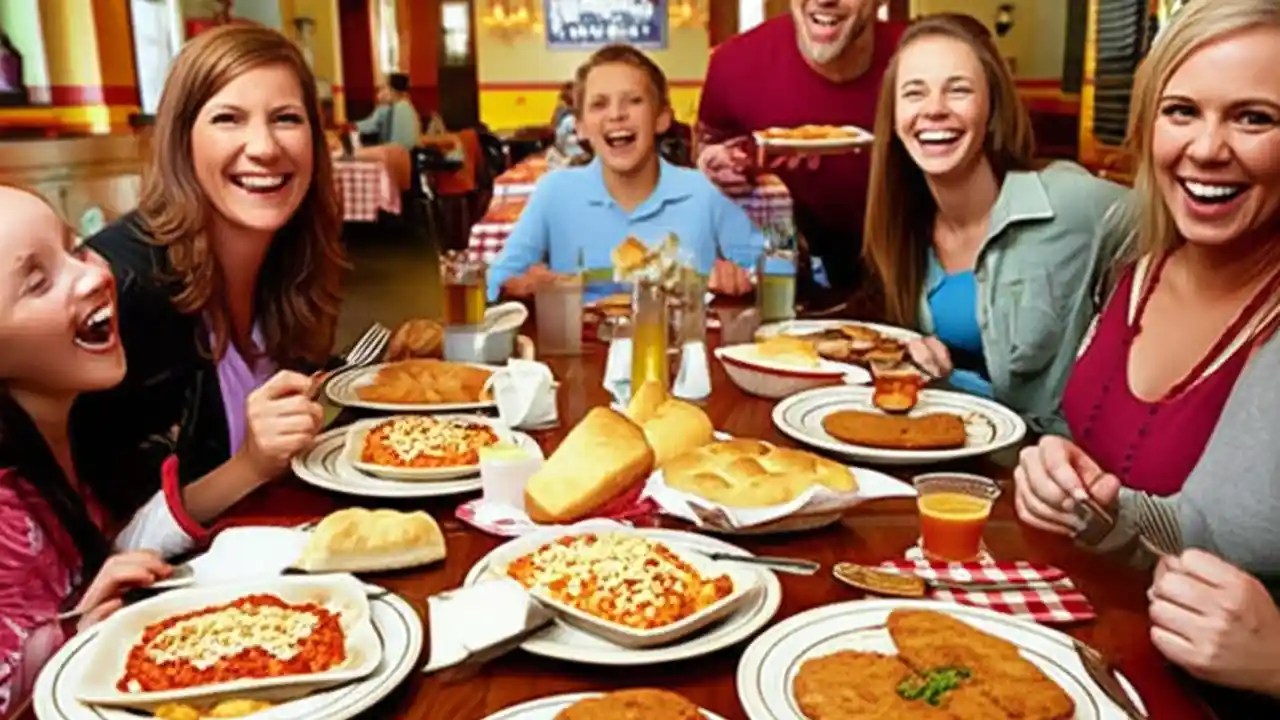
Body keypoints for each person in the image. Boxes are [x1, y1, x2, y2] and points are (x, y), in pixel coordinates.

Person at [1014, 0, 1280, 706]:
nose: (1206, 148)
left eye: (1255, 117)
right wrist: (1063, 480)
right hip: (1085, 662)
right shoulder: (1133, 262)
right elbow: (1157, 520)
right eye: (1182, 110)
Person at [72, 24, 343, 519]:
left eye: (286, 118)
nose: (263, 147)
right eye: (228, 119)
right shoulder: (123, 289)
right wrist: (250, 466)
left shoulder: (293, 261)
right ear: (183, 142)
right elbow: (110, 535)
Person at [863, 15, 1126, 433]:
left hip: (1050, 472)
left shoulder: (1069, 202)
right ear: (894, 119)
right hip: (949, 451)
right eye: (914, 93)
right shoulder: (901, 226)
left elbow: (1179, 235)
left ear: (991, 108)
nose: (934, 109)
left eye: (959, 90)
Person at [0, 186, 192, 711]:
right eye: (38, 282)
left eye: (76, 246)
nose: (95, 275)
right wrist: (73, 636)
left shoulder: (81, 425)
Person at [487, 45, 763, 303]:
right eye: (599, 104)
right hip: (582, 348)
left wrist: (741, 278)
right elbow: (495, 280)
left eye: (633, 101)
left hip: (678, 346)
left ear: (661, 118)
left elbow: (774, 266)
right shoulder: (555, 193)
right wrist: (517, 283)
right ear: (580, 126)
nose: (616, 114)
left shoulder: (700, 193)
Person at [696, 0, 906, 299]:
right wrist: (721, 165)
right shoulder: (733, 63)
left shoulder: (917, 59)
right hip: (782, 283)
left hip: (905, 274)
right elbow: (706, 157)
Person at [354, 72, 421, 151]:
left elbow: (399, 147)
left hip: (403, 158)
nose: (379, 93)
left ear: (392, 90)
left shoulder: (401, 108)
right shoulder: (396, 107)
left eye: (383, 88)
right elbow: (372, 124)